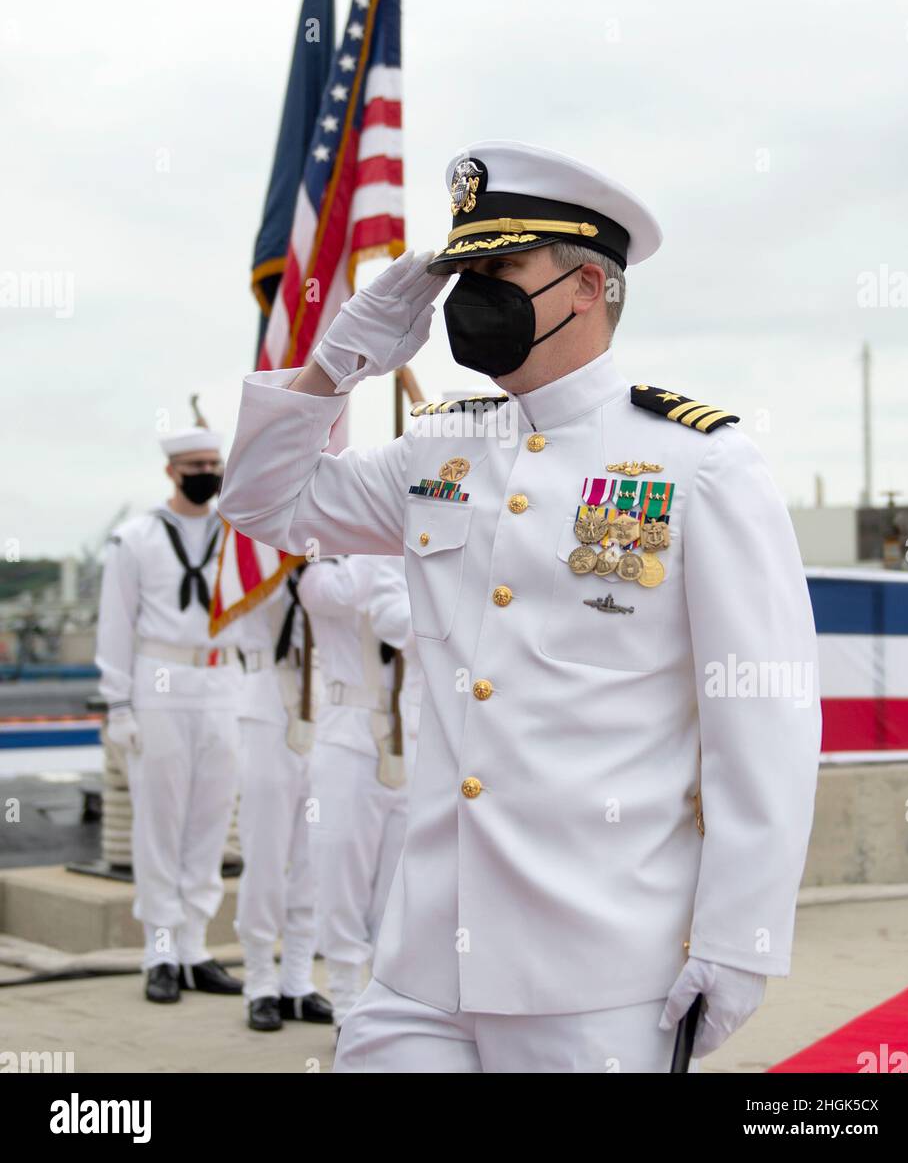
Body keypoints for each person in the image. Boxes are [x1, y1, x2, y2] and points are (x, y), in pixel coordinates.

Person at [218, 140, 822, 1073]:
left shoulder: (700, 464)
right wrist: (337, 363)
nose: (469, 296)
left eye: (500, 268)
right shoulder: (437, 453)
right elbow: (261, 504)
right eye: (462, 271)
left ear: (586, 287)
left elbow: (762, 721)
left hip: (599, 974)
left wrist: (739, 940)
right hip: (421, 965)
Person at [96, 422, 245, 1004]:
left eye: (215, 463)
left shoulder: (238, 537)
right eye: (197, 467)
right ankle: (159, 949)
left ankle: (194, 947)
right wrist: (119, 704)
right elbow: (116, 624)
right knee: (159, 822)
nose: (209, 474)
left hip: (221, 681)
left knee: (208, 822)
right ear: (171, 472)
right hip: (159, 681)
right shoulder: (134, 538)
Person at [297, 554, 421, 1030]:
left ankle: (382, 1002)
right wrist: (385, 541)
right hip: (347, 733)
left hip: (411, 734)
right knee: (340, 875)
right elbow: (353, 599)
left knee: (397, 887)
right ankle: (346, 1005)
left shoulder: (408, 561)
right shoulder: (320, 570)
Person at [233, 579, 334, 1031]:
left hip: (329, 698)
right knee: (265, 853)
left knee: (314, 854)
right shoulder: (251, 552)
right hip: (267, 699)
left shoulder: (334, 562)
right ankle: (258, 981)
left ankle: (296, 979)